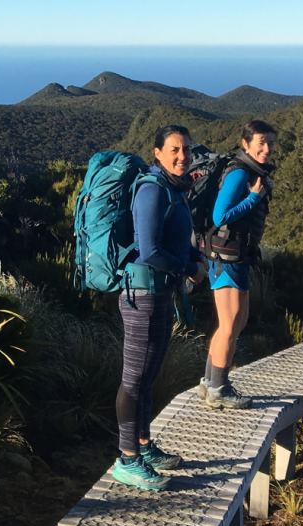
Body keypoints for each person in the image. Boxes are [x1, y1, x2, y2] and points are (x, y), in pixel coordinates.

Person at [112, 125, 207, 492]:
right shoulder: (152, 190)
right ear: (157, 152)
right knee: (134, 378)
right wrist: (189, 269)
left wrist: (196, 259)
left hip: (160, 292)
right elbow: (149, 250)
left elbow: (178, 241)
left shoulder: (174, 189)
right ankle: (127, 460)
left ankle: (143, 447)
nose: (181, 156)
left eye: (185, 149)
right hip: (142, 295)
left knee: (148, 375)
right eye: (173, 150)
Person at [201, 120, 277, 409]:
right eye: (261, 142)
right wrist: (253, 198)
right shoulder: (239, 173)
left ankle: (209, 382)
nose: (267, 148)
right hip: (226, 257)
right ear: (245, 144)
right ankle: (218, 389)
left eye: (270, 142)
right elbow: (221, 216)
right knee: (230, 324)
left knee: (236, 322)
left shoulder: (251, 171)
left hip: (237, 257)